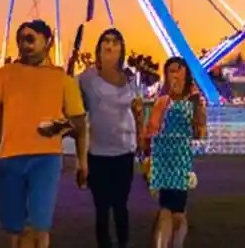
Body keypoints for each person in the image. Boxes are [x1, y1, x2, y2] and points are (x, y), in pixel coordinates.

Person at [0, 20, 88, 248]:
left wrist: (82, 161)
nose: (24, 44)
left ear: (47, 42)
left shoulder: (62, 79)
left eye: (30, 38)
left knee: (40, 225)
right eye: (20, 40)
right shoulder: (4, 75)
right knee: (13, 227)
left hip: (46, 157)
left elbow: (79, 124)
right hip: (9, 155)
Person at [79, 28, 144, 248]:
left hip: (125, 149)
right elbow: (72, 102)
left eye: (115, 42)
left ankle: (124, 243)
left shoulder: (130, 77)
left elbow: (136, 109)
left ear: (121, 48)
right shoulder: (87, 78)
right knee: (102, 207)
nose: (110, 45)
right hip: (98, 151)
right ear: (98, 48)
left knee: (121, 205)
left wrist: (142, 136)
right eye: (106, 41)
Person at [143, 57, 207, 248]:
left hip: (182, 158)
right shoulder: (162, 102)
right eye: (171, 71)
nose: (175, 75)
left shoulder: (195, 102)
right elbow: (151, 129)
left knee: (178, 213)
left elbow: (200, 132)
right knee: (166, 208)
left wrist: (198, 109)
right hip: (163, 157)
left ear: (186, 73)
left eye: (179, 70)